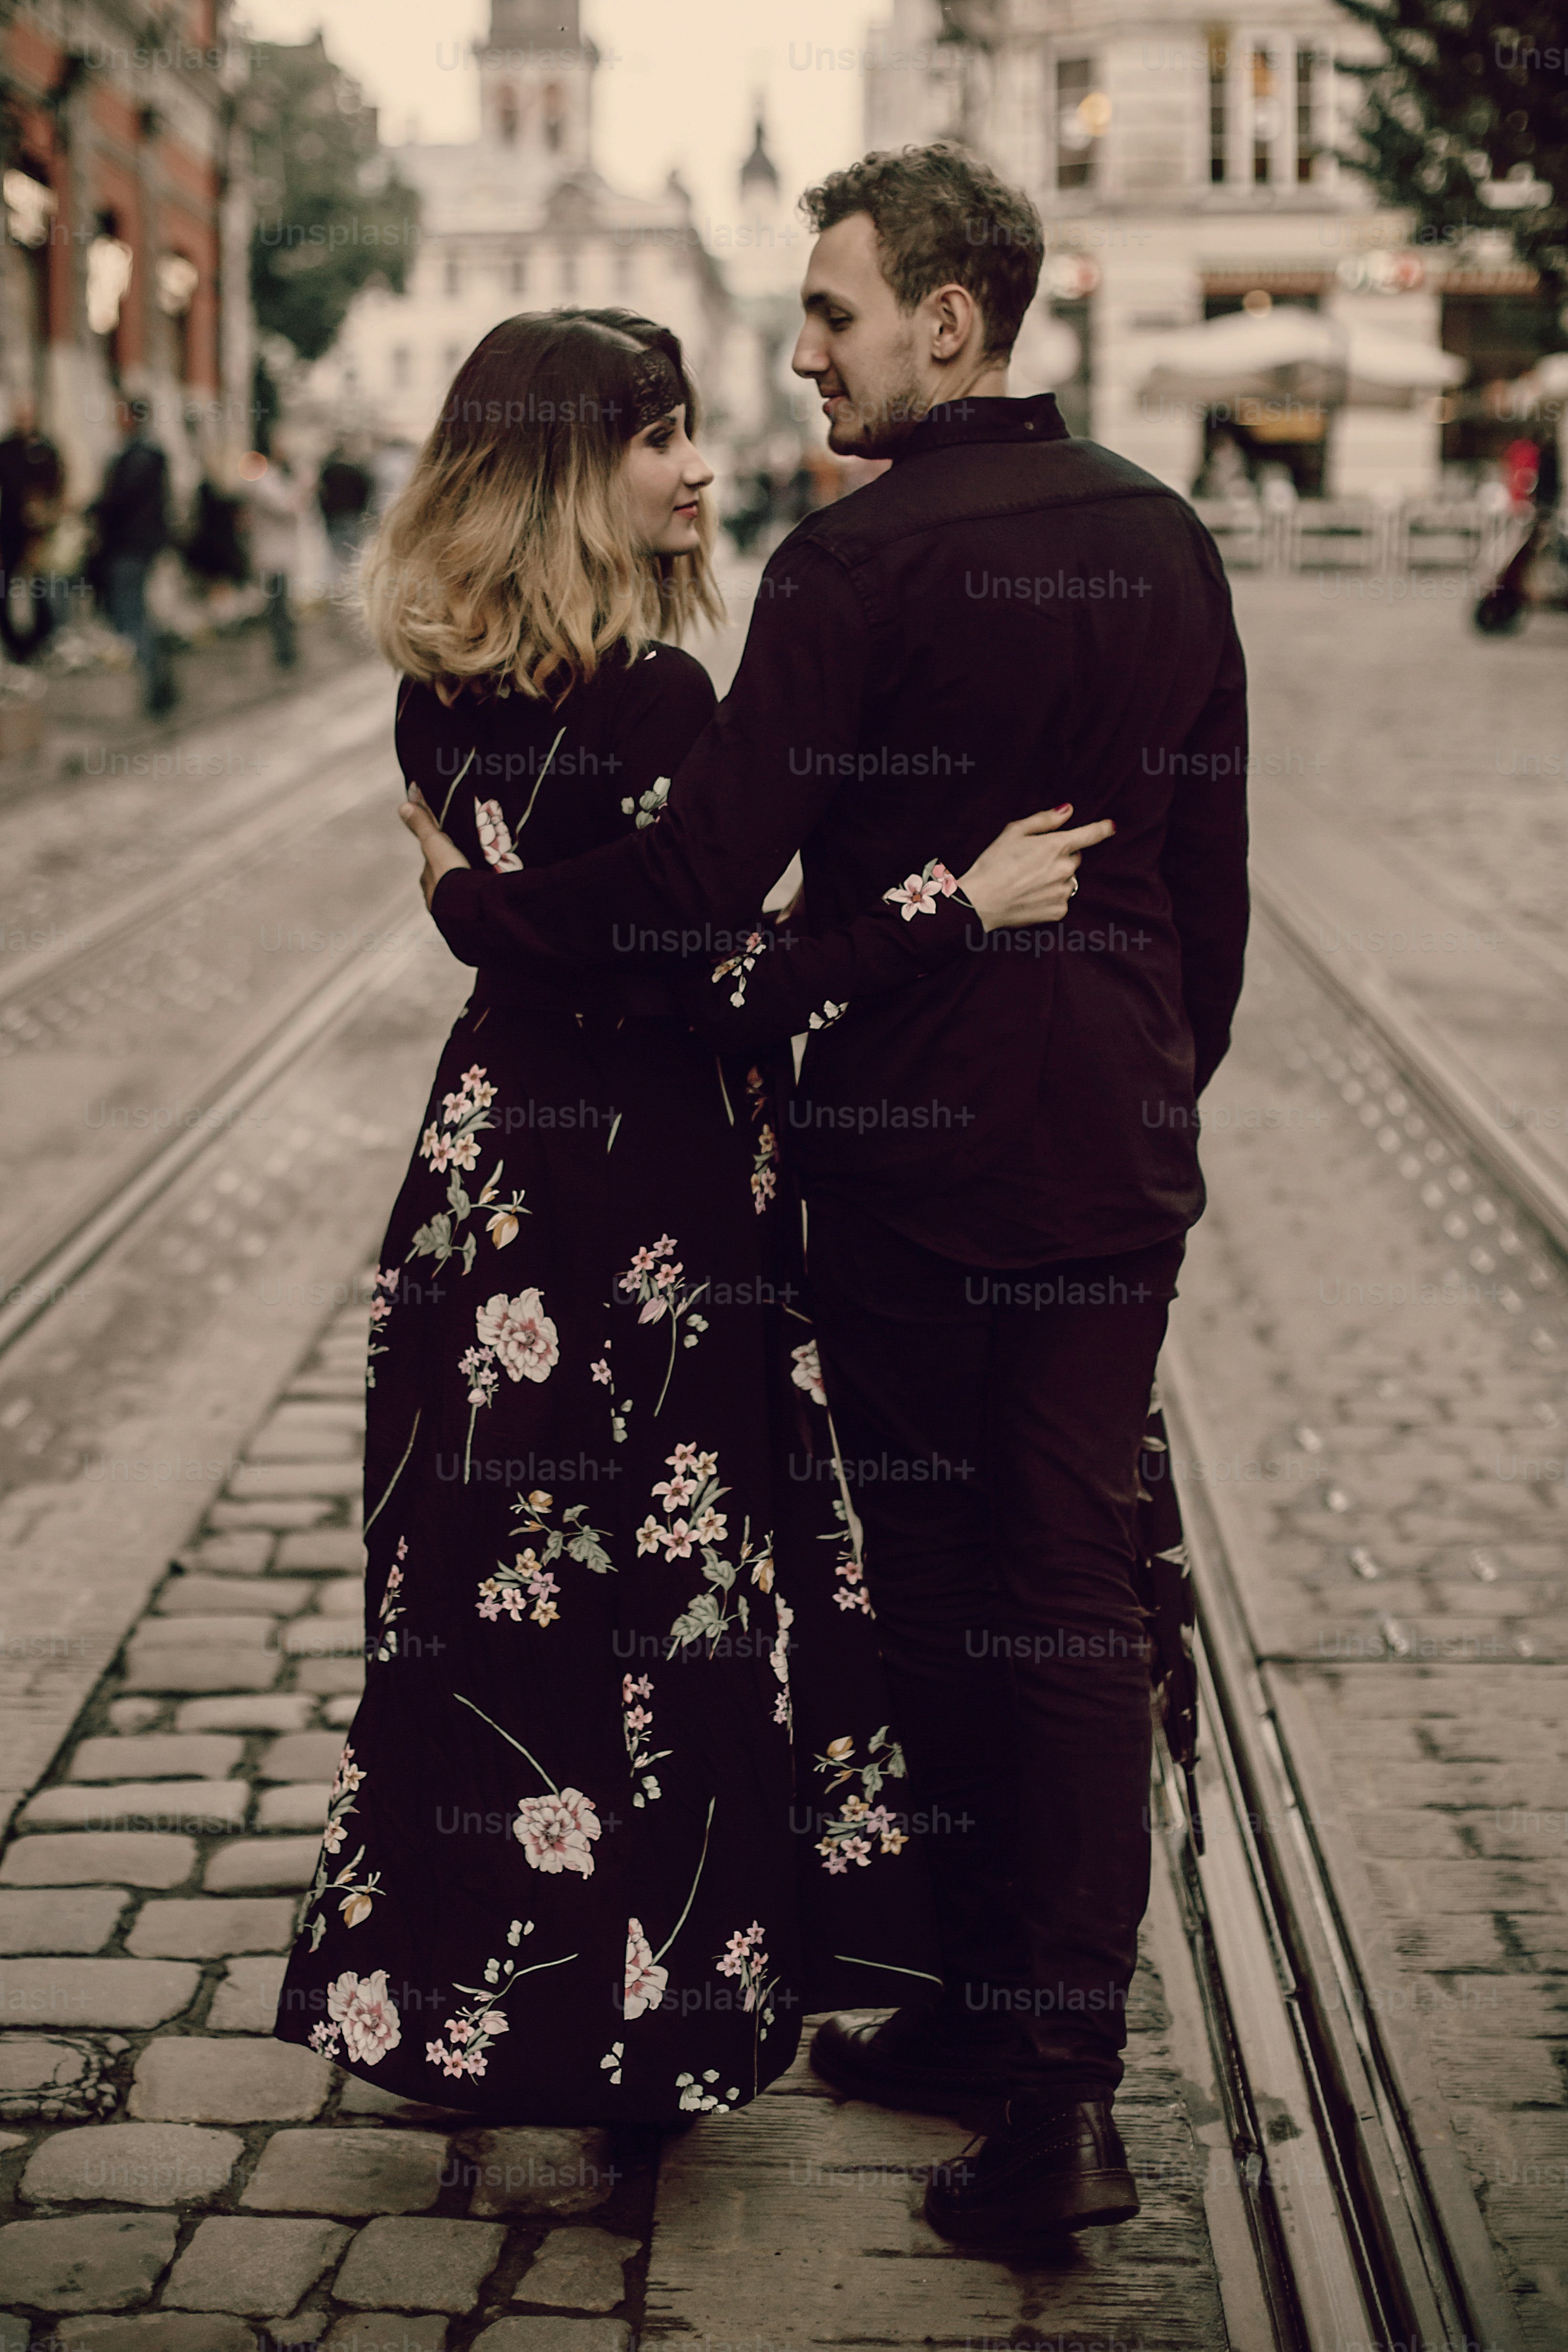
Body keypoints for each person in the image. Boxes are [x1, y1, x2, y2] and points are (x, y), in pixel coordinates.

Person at [399, 142, 1249, 2247]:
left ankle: (1012, 2058)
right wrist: (1144, 1070)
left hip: (892, 1159)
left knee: (953, 1584)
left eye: (829, 317)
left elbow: (696, 891)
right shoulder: (1157, 536)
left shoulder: (848, 571)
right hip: (1097, 1146)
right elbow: (1206, 878)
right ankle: (1018, 2054)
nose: (799, 358)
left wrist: (474, 902)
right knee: (1055, 1591)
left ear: (938, 324)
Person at [271, 307, 1101, 2125]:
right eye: (655, 436)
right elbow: (713, 979)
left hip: (486, 1194)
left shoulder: (439, 689)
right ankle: (656, 2016)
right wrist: (954, 905)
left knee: (480, 1600)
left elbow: (538, 929)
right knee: (670, 1600)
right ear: (571, 467)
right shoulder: (653, 703)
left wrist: (475, 920)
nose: (700, 464)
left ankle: (469, 2003)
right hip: (641, 1205)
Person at [91, 398, 176, 715]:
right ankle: (159, 687)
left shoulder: (138, 457)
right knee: (139, 615)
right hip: (140, 546)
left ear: (132, 417)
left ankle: (153, 691)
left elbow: (120, 501)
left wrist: (94, 509)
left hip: (129, 547)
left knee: (132, 617)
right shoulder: (149, 455)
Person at [0, 397, 64, 661]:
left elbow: (58, 484)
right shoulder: (6, 449)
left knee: (43, 587)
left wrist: (47, 511)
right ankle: (16, 646)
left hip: (41, 533)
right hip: (10, 530)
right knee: (6, 587)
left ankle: (41, 640)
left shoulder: (46, 449)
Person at [245, 438, 309, 667]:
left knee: (281, 605)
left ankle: (287, 652)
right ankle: (285, 655)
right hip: (272, 556)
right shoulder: (264, 479)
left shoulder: (275, 477)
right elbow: (287, 505)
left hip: (279, 555)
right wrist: (303, 486)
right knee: (278, 607)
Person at [317, 439, 373, 583]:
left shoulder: (328, 471)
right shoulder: (356, 471)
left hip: (334, 518)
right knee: (353, 555)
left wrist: (326, 513)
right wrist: (360, 512)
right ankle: (350, 584)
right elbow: (366, 492)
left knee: (336, 556)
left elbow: (321, 494)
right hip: (351, 516)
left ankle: (338, 584)